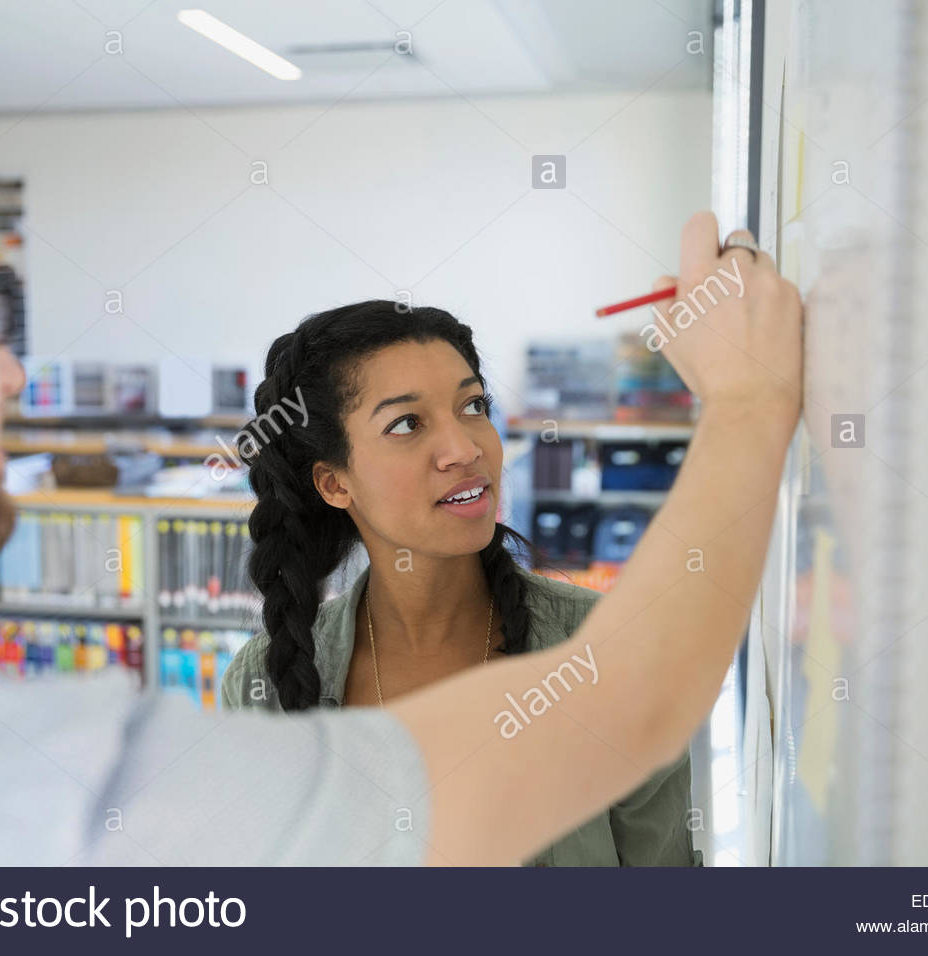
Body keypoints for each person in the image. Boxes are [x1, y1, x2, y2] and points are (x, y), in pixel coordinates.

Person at [0, 58, 802, 867]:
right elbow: (617, 707)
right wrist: (750, 397)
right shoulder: (3, 778)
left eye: (473, 407)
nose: (8, 374)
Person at [221, 301, 698, 866]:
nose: (467, 449)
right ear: (334, 482)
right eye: (407, 423)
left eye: (473, 406)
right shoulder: (264, 686)